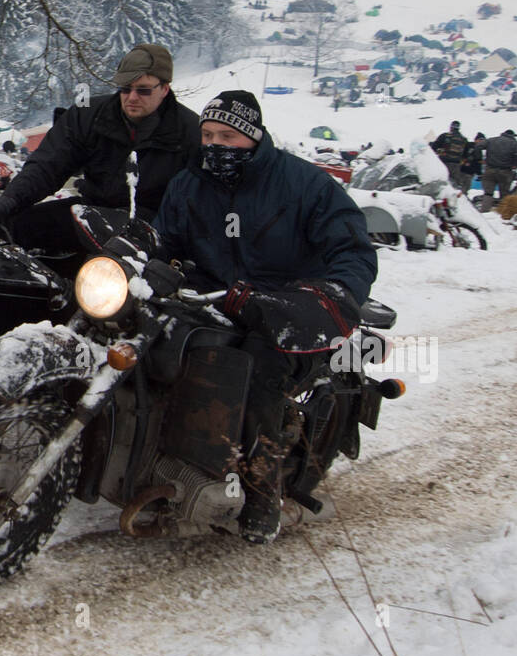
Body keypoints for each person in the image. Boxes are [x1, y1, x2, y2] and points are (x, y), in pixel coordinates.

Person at [151, 91, 377, 544]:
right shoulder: (188, 183)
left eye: (228, 136)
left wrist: (328, 296)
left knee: (257, 370)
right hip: (217, 298)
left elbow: (352, 250)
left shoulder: (305, 184)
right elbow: (165, 242)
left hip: (287, 308)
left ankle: (262, 496)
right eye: (209, 134)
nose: (216, 144)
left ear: (253, 138)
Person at [0, 43, 199, 256]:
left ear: (165, 89)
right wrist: (10, 199)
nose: (132, 97)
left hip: (153, 229)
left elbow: (194, 208)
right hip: (90, 213)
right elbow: (48, 165)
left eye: (143, 90)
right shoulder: (88, 115)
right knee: (3, 225)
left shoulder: (192, 133)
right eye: (125, 88)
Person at [482, 129, 517, 200]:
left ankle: (485, 209)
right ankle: (502, 210)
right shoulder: (515, 143)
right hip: (505, 172)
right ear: (512, 136)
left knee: (488, 194)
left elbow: (478, 146)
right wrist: (516, 165)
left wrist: (479, 159)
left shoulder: (491, 140)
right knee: (504, 195)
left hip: (490, 170)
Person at [430, 121, 468, 186]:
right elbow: (465, 154)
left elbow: (434, 147)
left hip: (443, 163)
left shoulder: (445, 136)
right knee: (454, 183)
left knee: (441, 181)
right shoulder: (464, 139)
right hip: (456, 165)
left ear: (451, 127)